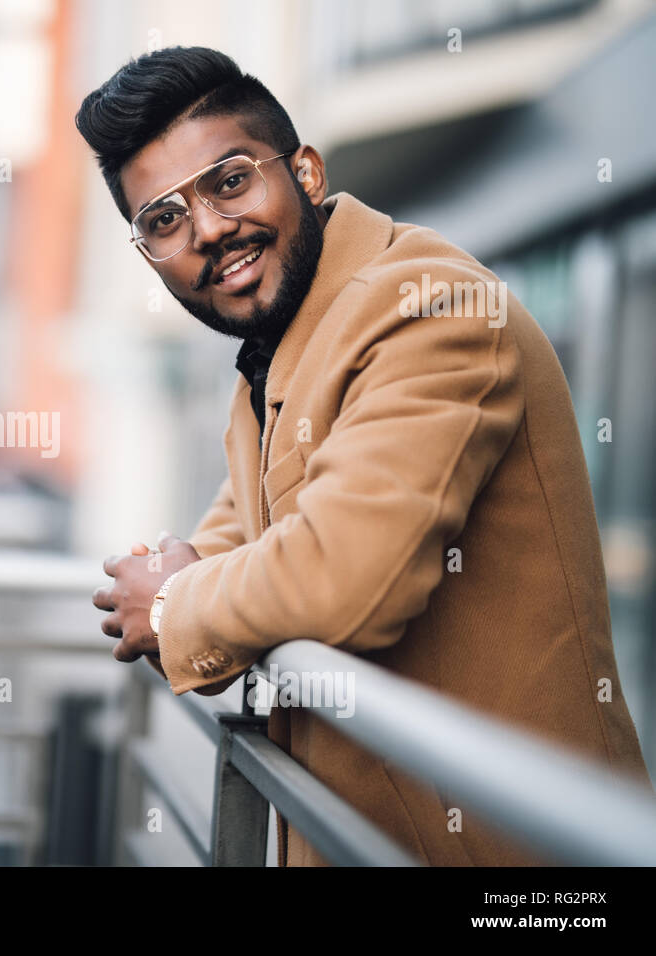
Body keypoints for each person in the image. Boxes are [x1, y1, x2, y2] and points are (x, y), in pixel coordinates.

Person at [80, 45, 651, 866]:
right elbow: (229, 552)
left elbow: (345, 578)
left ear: (306, 172)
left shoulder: (430, 304)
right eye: (164, 220)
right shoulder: (271, 359)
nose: (208, 229)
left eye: (230, 180)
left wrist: (174, 608)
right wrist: (195, 585)